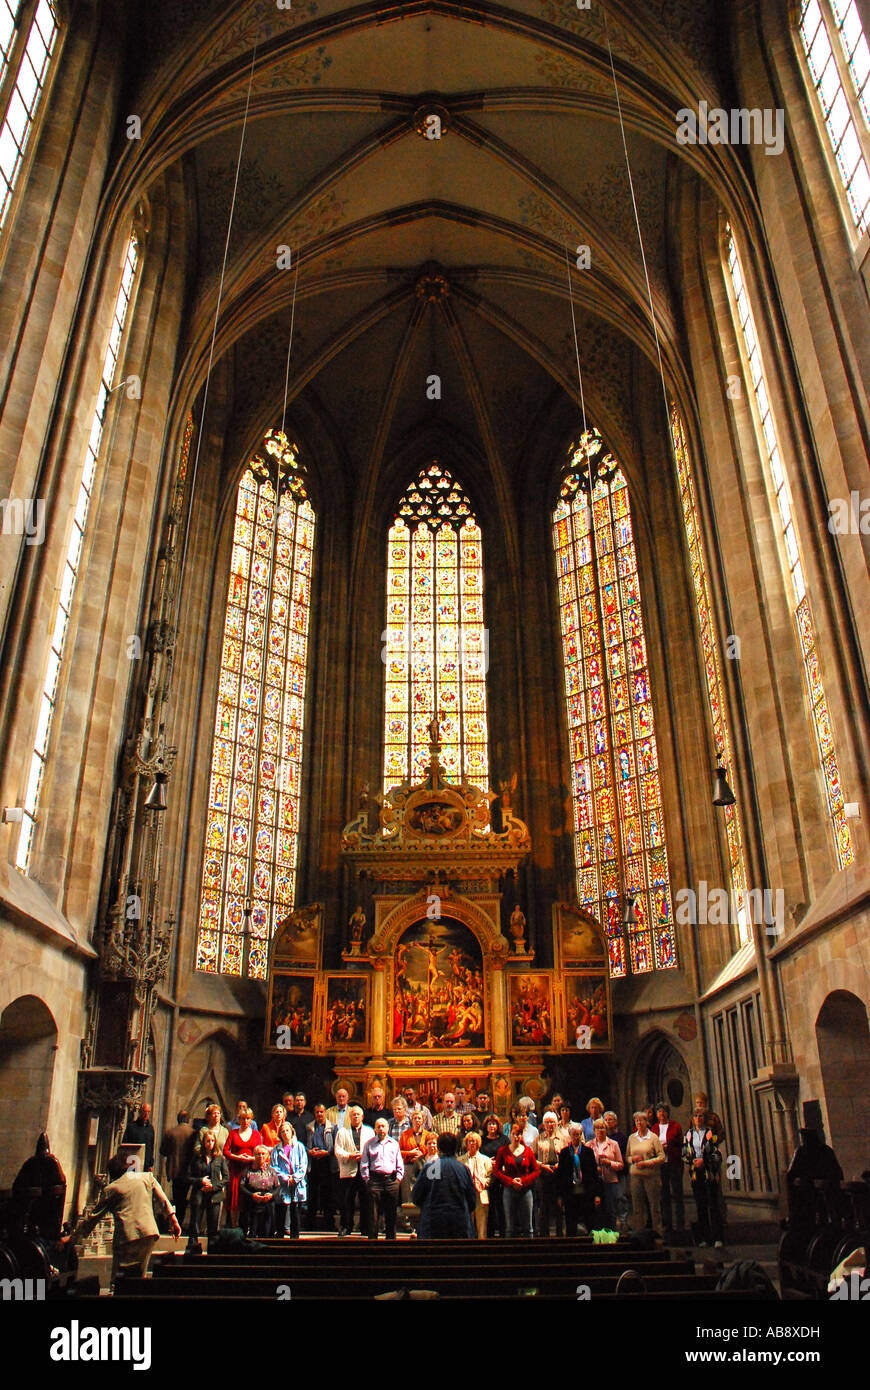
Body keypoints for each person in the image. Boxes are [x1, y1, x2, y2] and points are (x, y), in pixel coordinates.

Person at [64, 1152, 180, 1287]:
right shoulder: (146, 1177)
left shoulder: (112, 1188)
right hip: (149, 1233)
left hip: (127, 1238)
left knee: (119, 1281)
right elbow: (164, 1200)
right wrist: (174, 1220)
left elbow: (93, 1218)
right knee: (139, 1279)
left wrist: (72, 1238)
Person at [411, 1132, 477, 1238]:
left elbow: (416, 1197)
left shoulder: (431, 1168)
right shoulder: (463, 1169)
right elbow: (472, 1201)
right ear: (456, 1147)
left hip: (432, 1226)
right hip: (459, 1226)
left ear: (438, 1147)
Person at [11, 1133, 67, 1239]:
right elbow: (18, 1186)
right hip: (33, 1207)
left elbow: (61, 1186)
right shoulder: (31, 1163)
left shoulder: (52, 1163)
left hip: (48, 1207)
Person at [683, 1108, 723, 1247]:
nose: (698, 1119)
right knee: (701, 1205)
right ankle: (704, 1238)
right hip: (695, 1173)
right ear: (692, 1119)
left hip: (709, 1172)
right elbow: (685, 1153)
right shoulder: (688, 1134)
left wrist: (704, 1161)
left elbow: (717, 1154)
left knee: (713, 1204)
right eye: (696, 1116)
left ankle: (717, 1237)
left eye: (700, 1116)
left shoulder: (710, 1134)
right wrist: (692, 1160)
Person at [360, 1117, 404, 1240]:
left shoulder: (394, 1144)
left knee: (391, 1213)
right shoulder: (369, 1144)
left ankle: (391, 1240)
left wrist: (398, 1180)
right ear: (375, 1129)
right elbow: (364, 1164)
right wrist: (367, 1179)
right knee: (373, 1213)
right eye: (378, 1126)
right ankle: (373, 1241)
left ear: (388, 1128)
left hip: (391, 1180)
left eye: (383, 1126)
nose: (381, 1129)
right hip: (375, 1180)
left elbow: (399, 1163)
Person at [494, 1122, 540, 1237]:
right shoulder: (503, 1151)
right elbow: (497, 1171)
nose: (516, 1137)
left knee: (528, 1227)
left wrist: (523, 1181)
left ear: (522, 1135)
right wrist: (510, 1182)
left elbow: (536, 1171)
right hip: (509, 1190)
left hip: (525, 1191)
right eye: (514, 1134)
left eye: (518, 1134)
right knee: (510, 1227)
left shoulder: (528, 1151)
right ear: (510, 1135)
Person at [557, 1122, 603, 1235]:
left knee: (590, 1221)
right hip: (570, 1191)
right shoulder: (564, 1152)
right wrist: (560, 1196)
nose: (576, 1137)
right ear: (570, 1135)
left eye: (578, 1134)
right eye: (574, 1134)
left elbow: (594, 1174)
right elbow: (561, 1176)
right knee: (571, 1223)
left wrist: (597, 1194)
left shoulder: (588, 1152)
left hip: (586, 1190)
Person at [334, 1105, 374, 1236]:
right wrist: (349, 1156)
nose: (356, 1116)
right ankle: (346, 1226)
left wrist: (363, 1155)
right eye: (353, 1114)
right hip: (348, 1170)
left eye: (358, 1114)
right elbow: (338, 1150)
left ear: (362, 1117)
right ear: (349, 1117)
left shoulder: (369, 1131)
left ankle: (365, 1227)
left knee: (366, 1200)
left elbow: (373, 1149)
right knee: (347, 1200)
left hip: (364, 1171)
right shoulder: (342, 1132)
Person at [626, 1109, 666, 1233]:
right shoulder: (632, 1138)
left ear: (646, 1122)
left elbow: (661, 1157)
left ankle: (657, 1232)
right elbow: (626, 1157)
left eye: (641, 1120)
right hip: (635, 1177)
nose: (638, 1122)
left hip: (650, 1176)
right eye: (636, 1120)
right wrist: (633, 1159)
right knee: (637, 1206)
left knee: (654, 1206)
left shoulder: (653, 1137)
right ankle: (639, 1233)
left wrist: (646, 1163)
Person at [186, 1129, 228, 1243]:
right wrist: (200, 1181)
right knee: (195, 1225)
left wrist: (214, 1186)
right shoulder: (197, 1157)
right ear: (204, 1142)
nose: (210, 1143)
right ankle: (193, 1249)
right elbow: (188, 1177)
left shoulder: (219, 1158)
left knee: (213, 1228)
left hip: (214, 1195)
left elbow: (226, 1178)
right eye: (208, 1141)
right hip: (199, 1193)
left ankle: (212, 1253)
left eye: (212, 1141)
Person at [223, 1104, 261, 1226]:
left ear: (251, 1120)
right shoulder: (233, 1133)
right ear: (239, 1120)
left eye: (247, 1118)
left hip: (250, 1170)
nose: (245, 1121)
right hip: (236, 1170)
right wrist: (237, 1157)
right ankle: (234, 1226)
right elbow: (226, 1151)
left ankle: (247, 1227)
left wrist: (251, 1158)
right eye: (243, 1118)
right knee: (235, 1199)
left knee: (247, 1199)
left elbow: (260, 1151)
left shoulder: (255, 1134)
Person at [270, 1120, 308, 1238]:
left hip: (296, 1183)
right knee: (281, 1209)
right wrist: (286, 1178)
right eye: (282, 1131)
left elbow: (303, 1165)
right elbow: (274, 1167)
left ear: (292, 1132)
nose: (285, 1133)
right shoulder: (276, 1149)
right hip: (283, 1183)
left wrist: (294, 1179)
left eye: (287, 1130)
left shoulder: (300, 1146)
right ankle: (280, 1234)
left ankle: (295, 1235)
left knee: (295, 1209)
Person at [158, 1110, 196, 1228]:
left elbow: (163, 1151)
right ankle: (180, 1219)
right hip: (188, 1170)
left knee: (177, 1197)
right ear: (188, 1120)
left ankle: (176, 1222)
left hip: (174, 1170)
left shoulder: (171, 1132)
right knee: (184, 1198)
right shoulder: (193, 1133)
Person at [655, 1102, 686, 1238]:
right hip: (661, 1165)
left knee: (677, 1194)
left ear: (668, 1113)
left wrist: (669, 1148)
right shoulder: (654, 1128)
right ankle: (667, 1225)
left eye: (664, 1111)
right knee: (664, 1195)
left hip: (674, 1163)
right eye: (659, 1112)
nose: (661, 1114)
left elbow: (681, 1145)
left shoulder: (676, 1127)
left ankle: (680, 1224)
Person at [305, 1104, 337, 1231]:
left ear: (325, 1113)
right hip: (314, 1164)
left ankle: (329, 1223)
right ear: (314, 1113)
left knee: (328, 1195)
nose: (319, 1114)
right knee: (312, 1194)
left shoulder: (333, 1127)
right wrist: (310, 1151)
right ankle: (310, 1224)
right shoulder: (309, 1127)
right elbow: (305, 1144)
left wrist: (327, 1152)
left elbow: (336, 1145)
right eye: (317, 1112)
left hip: (327, 1163)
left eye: (321, 1112)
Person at [533, 1111, 564, 1237]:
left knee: (558, 1205)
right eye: (547, 1122)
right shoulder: (538, 1138)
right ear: (543, 1124)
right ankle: (543, 1234)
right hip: (543, 1174)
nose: (550, 1124)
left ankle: (560, 1233)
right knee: (543, 1205)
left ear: (556, 1123)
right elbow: (531, 1158)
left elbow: (567, 1156)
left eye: (552, 1122)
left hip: (557, 1175)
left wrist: (559, 1164)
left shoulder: (563, 1138)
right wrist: (542, 1165)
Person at [589, 1117, 624, 1230]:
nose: (600, 1130)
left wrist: (609, 1163)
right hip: (595, 1183)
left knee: (611, 1210)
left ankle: (612, 1235)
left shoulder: (614, 1144)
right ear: (594, 1130)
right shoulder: (589, 1145)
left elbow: (621, 1164)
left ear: (606, 1129)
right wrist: (595, 1168)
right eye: (598, 1128)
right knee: (596, 1211)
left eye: (603, 1127)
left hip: (610, 1181)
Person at [241, 1145, 280, 1237]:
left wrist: (271, 1195)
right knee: (253, 1231)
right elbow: (241, 1187)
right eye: (258, 1154)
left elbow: (277, 1187)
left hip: (268, 1203)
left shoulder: (272, 1171)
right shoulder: (248, 1170)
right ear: (254, 1155)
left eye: (263, 1154)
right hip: (252, 1202)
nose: (261, 1156)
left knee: (267, 1231)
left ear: (267, 1156)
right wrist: (252, 1195)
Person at [460, 1129, 493, 1239]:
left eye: (474, 1141)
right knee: (467, 1226)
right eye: (469, 1141)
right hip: (466, 1196)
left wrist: (483, 1182)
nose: (472, 1144)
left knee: (481, 1227)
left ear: (478, 1143)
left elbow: (490, 1177)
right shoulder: (460, 1160)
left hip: (481, 1195)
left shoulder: (485, 1159)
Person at [480, 1114, 507, 1237]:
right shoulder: (482, 1139)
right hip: (487, 1176)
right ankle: (489, 1235)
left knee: (501, 1207)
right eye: (490, 1124)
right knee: (489, 1208)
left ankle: (503, 1234)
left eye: (494, 1124)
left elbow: (509, 1154)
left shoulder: (504, 1139)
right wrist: (488, 1161)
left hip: (501, 1176)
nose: (492, 1126)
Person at [122, 1102, 155, 1171]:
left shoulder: (150, 1129)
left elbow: (151, 1147)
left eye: (148, 1112)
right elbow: (125, 1145)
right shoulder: (131, 1127)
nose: (146, 1115)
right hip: (132, 1164)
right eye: (145, 1112)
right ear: (140, 1112)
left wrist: (150, 1164)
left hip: (145, 1164)